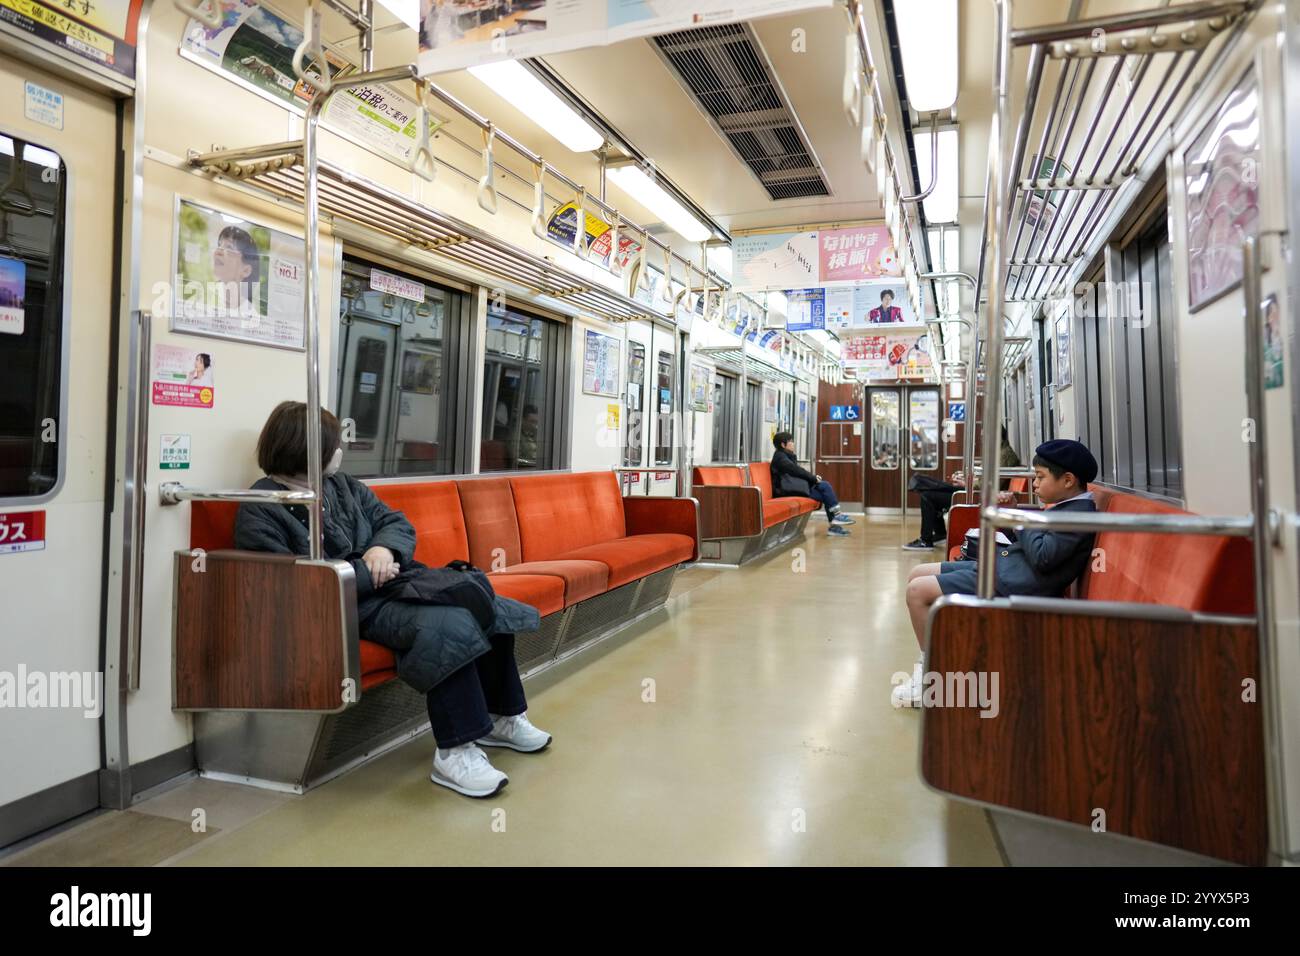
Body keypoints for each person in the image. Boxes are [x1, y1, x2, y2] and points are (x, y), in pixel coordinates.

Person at [234, 401, 551, 797]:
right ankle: (454, 753)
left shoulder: (342, 486)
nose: (340, 451)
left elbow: (394, 522)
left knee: (483, 600)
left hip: (396, 584)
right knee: (448, 626)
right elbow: (294, 584)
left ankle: (502, 716)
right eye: (334, 443)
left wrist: (385, 550)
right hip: (347, 607)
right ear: (306, 448)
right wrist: (367, 572)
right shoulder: (263, 507)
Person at [891, 439, 1099, 707]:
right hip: (1007, 569)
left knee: (917, 592)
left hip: (1017, 583)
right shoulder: (1066, 506)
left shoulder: (1078, 515)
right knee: (917, 573)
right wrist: (1015, 515)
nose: (1034, 484)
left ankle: (931, 677)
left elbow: (1043, 557)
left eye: (1040, 477)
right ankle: (940, 656)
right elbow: (1033, 543)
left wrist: (1019, 518)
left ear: (1068, 480)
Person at [902, 426, 1021, 551]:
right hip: (975, 491)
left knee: (928, 496)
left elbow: (988, 484)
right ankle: (939, 533)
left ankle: (926, 540)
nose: (982, 440)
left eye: (984, 436)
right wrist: (965, 480)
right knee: (929, 490)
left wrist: (966, 483)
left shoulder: (1003, 455)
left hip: (978, 496)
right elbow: (983, 480)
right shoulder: (995, 453)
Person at [770, 431, 855, 536]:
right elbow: (795, 470)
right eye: (791, 441)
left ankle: (835, 523)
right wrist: (813, 479)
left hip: (793, 488)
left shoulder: (785, 455)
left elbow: (796, 471)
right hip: (784, 491)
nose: (793, 444)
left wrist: (813, 479)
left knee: (825, 488)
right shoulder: (780, 457)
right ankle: (835, 521)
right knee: (825, 489)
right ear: (783, 445)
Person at [211, 225, 259, 317]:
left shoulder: (251, 315)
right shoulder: (203, 298)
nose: (218, 251)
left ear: (246, 271)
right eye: (220, 245)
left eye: (229, 248)